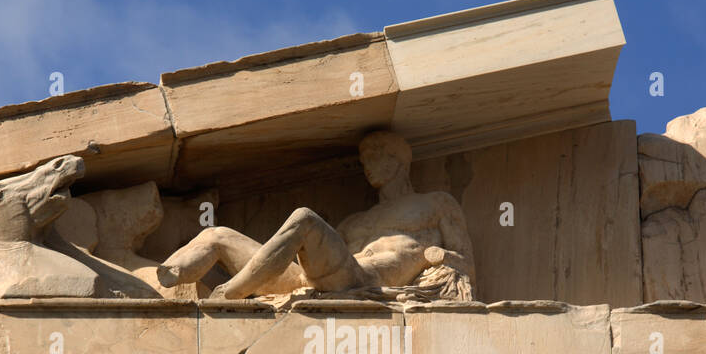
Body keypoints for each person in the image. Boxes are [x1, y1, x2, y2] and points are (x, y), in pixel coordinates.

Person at [158, 131, 475, 301]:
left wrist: (437, 256)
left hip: (362, 280)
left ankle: (232, 292)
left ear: (400, 160)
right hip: (311, 281)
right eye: (364, 158)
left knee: (304, 219)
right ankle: (164, 281)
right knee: (218, 234)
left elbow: (466, 265)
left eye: (376, 156)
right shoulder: (355, 223)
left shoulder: (435, 203)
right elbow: (322, 259)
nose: (368, 164)